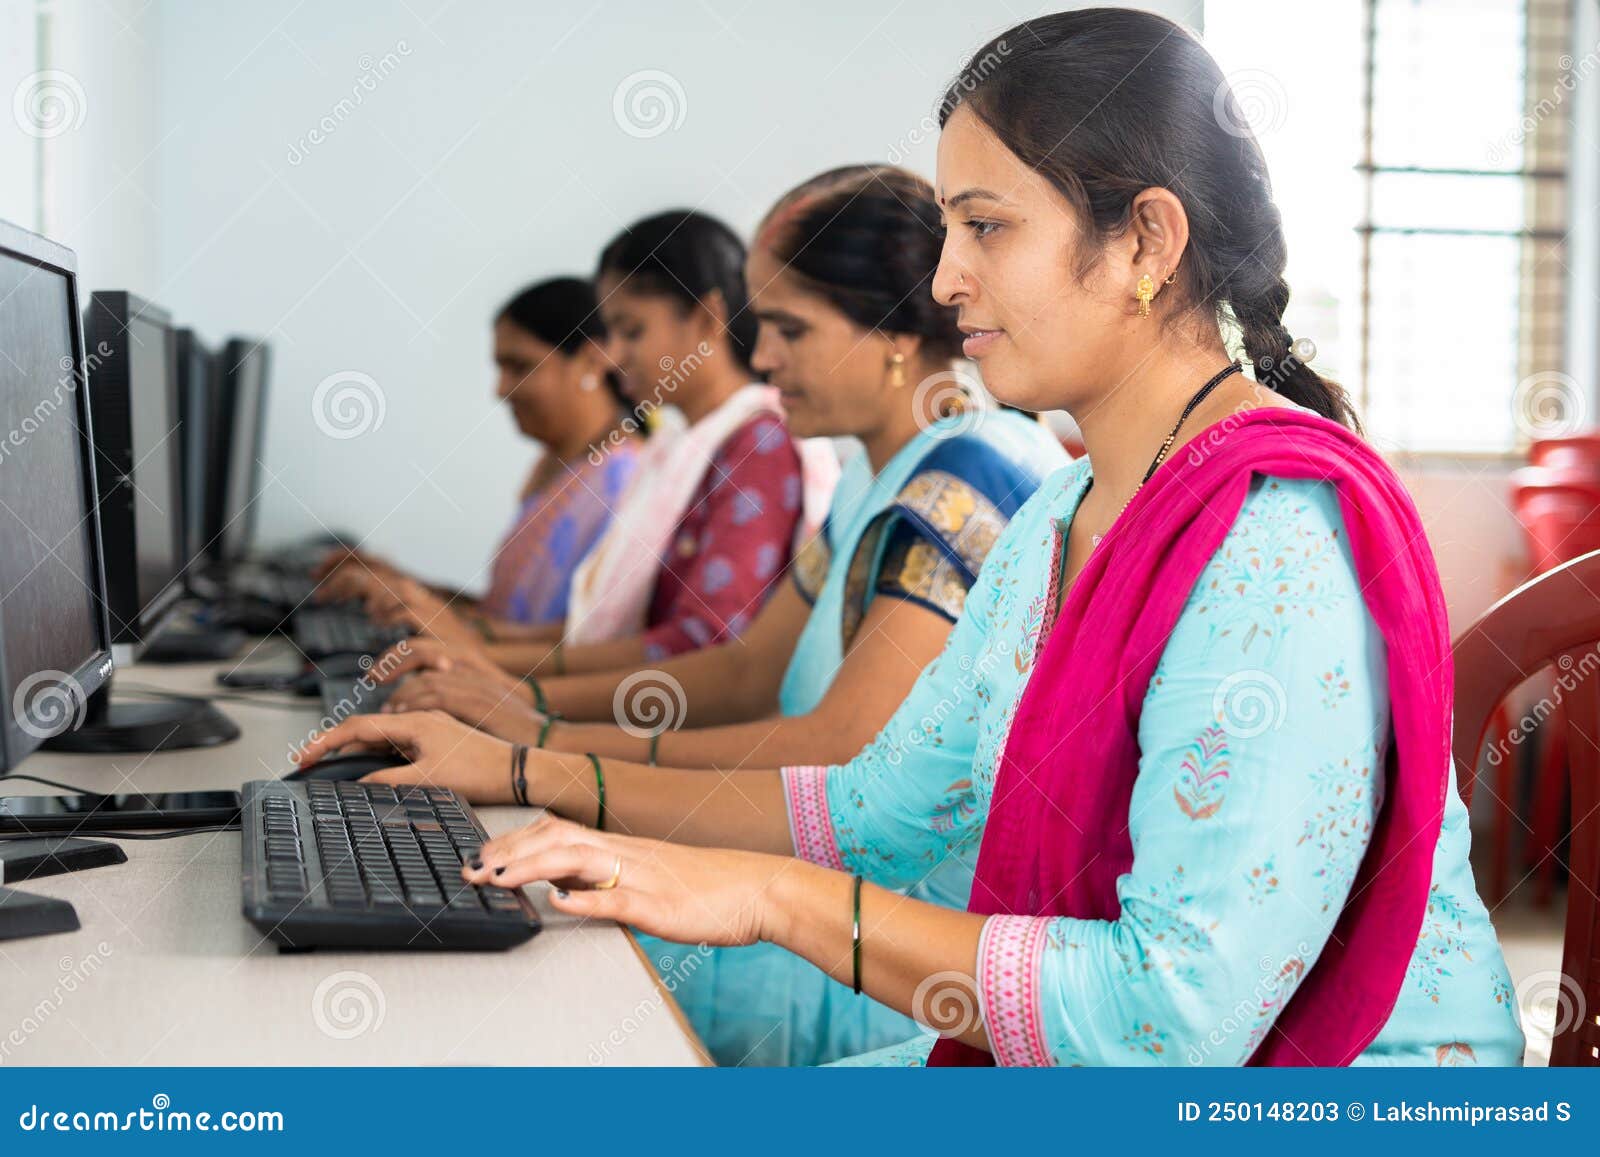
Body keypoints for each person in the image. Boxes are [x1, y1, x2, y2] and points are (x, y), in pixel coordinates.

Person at [299, 9, 1524, 1068]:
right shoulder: (1060, 509)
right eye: (947, 228)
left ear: (1146, 242)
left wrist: (765, 898)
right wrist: (526, 775)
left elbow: (1172, 1017)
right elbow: (877, 803)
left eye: (986, 227)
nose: (942, 281)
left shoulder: (1272, 544)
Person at [379, 166, 1067, 778]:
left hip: (885, 896)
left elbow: (838, 746)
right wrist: (527, 714)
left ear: (895, 332)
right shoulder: (870, 477)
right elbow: (744, 670)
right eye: (761, 326)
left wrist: (541, 749)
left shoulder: (968, 471)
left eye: (790, 331)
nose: (762, 358)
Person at [362, 210, 839, 677]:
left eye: (633, 331)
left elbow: (702, 642)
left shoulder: (758, 445)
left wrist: (490, 663)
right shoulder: (675, 448)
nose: (614, 355)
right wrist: (469, 641)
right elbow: (595, 629)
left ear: (706, 318)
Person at [313, 277, 640, 633]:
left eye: (520, 367)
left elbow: (572, 643)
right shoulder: (558, 467)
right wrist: (399, 584)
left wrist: (412, 601)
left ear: (592, 359)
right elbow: (506, 618)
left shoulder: (625, 481)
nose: (500, 389)